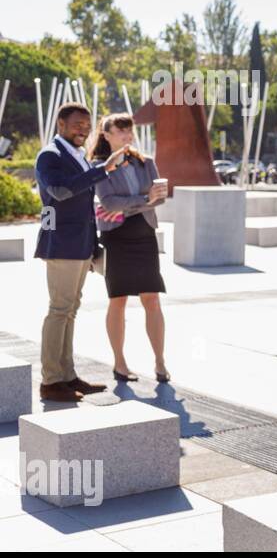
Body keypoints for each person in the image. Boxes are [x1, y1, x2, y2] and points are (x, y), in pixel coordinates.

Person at [33, 102, 133, 402]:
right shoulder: (50, 155)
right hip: (61, 242)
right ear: (60, 125)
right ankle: (51, 381)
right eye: (77, 123)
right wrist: (103, 169)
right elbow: (60, 192)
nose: (84, 129)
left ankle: (67, 375)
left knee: (70, 310)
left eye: (87, 125)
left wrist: (92, 245)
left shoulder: (78, 155)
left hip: (79, 244)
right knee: (59, 309)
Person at [91, 113, 170, 384]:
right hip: (116, 237)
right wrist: (142, 200)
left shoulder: (146, 162)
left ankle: (160, 362)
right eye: (120, 131)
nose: (126, 135)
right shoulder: (100, 166)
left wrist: (140, 202)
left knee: (153, 298)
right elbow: (109, 203)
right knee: (118, 299)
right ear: (107, 135)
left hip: (144, 234)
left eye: (129, 130)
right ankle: (120, 363)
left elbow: (157, 200)